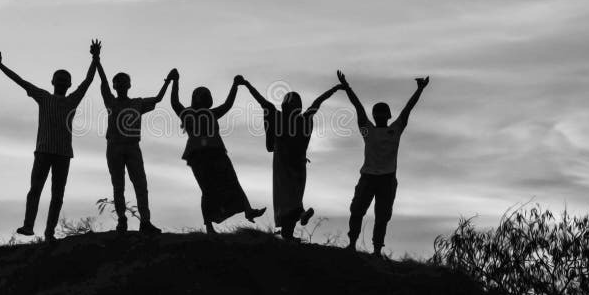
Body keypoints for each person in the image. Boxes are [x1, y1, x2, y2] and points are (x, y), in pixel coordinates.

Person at [0, 41, 100, 242]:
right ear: (52, 82)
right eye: (59, 79)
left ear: (69, 84)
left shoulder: (72, 100)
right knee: (35, 190)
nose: (62, 82)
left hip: (63, 153)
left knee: (57, 196)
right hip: (44, 151)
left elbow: (88, 80)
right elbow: (21, 81)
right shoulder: (43, 97)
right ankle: (29, 226)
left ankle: (49, 232)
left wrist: (95, 58)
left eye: (65, 80)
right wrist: (0, 65)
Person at [337, 71, 429, 256]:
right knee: (357, 211)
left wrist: (419, 90)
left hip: (386, 179)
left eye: (381, 112)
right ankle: (353, 244)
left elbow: (407, 109)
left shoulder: (395, 129)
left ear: (387, 115)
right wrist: (347, 87)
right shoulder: (368, 130)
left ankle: (377, 249)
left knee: (382, 216)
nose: (379, 114)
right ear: (376, 115)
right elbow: (358, 107)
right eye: (377, 112)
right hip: (369, 177)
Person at [240, 77, 342, 241]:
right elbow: (317, 103)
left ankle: (296, 220)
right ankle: (292, 228)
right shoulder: (304, 119)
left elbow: (262, 102)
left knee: (285, 200)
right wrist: (334, 89)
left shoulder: (279, 118)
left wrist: (247, 85)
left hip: (283, 166)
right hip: (300, 166)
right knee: (294, 198)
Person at [168, 69, 266, 234]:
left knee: (230, 182)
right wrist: (175, 81)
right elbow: (175, 103)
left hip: (214, 153)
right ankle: (209, 226)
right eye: (203, 95)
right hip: (201, 155)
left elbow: (227, 105)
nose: (205, 98)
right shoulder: (191, 113)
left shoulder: (203, 113)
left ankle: (247, 210)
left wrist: (235, 86)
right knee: (209, 189)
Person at [95, 46, 170, 235]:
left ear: (129, 85)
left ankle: (145, 221)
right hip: (114, 146)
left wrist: (168, 81)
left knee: (140, 185)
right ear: (115, 86)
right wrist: (97, 59)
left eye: (124, 81)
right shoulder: (111, 102)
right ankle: (122, 220)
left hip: (132, 147)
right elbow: (102, 82)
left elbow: (159, 98)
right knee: (118, 185)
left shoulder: (137, 103)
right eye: (117, 82)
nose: (120, 84)